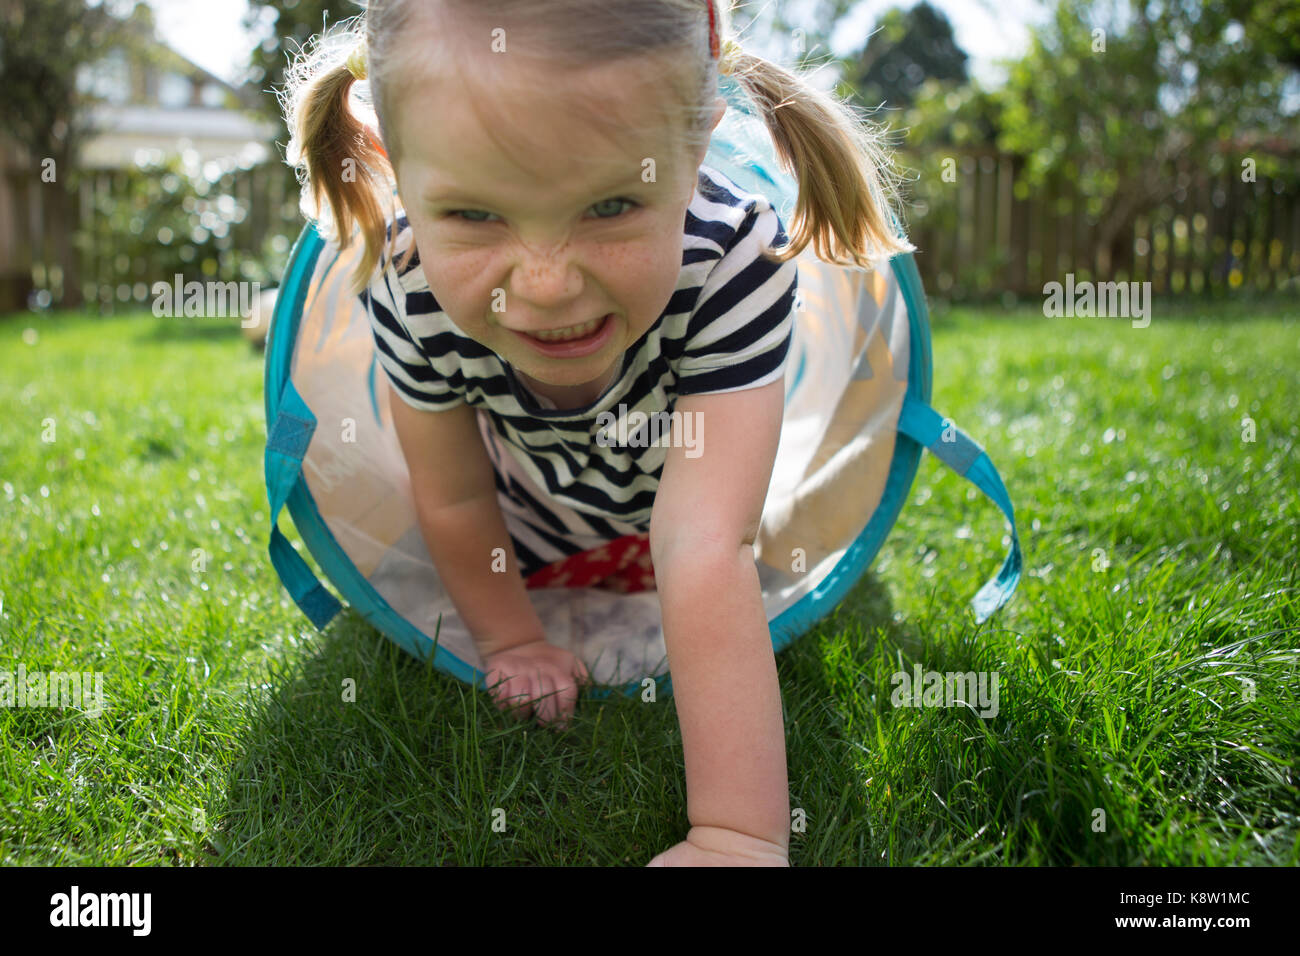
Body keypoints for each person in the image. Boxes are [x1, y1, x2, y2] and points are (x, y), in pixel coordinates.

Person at [282, 0, 911, 866]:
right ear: (393, 163)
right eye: (473, 215)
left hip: (682, 536)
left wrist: (737, 838)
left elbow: (702, 538)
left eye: (610, 205)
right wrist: (511, 639)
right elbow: (454, 493)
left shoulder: (736, 263)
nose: (544, 284)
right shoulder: (405, 284)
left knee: (710, 545)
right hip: (530, 542)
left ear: (695, 151)